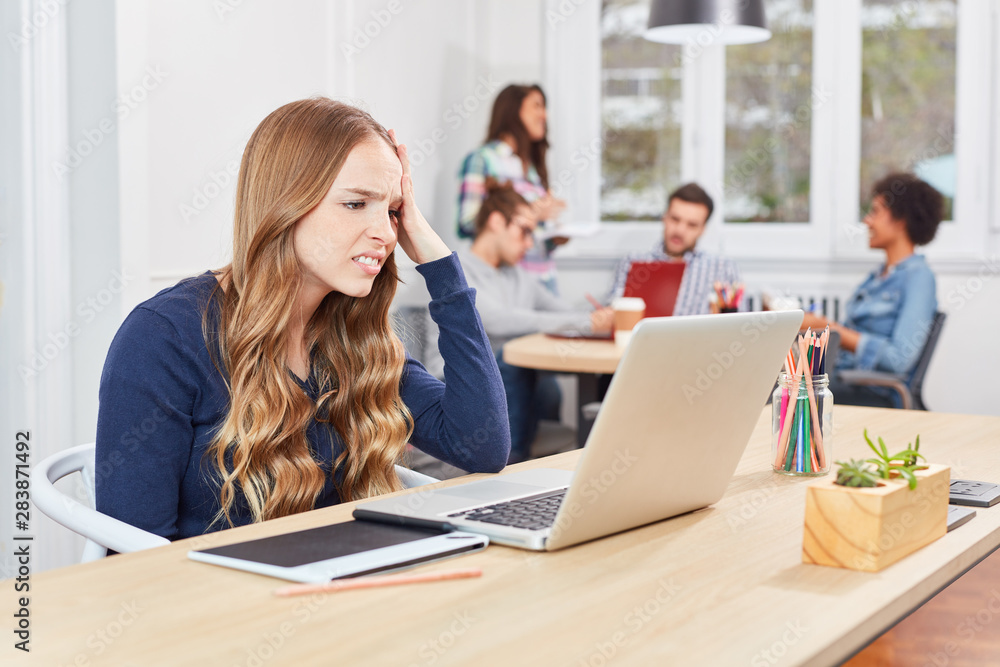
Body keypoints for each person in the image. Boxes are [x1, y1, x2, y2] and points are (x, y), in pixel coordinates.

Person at [95, 98, 511, 541]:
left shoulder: (353, 333)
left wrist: (440, 265)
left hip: (346, 573)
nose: (388, 234)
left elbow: (481, 444)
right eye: (356, 203)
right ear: (285, 202)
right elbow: (134, 554)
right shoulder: (163, 338)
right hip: (227, 585)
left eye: (393, 211)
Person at [458, 180, 613, 463]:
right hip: (462, 381)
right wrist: (586, 323)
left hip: (510, 380)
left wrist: (596, 317)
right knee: (514, 362)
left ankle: (553, 463)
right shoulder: (458, 270)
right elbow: (496, 321)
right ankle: (510, 461)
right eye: (525, 231)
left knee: (547, 388)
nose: (530, 243)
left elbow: (561, 311)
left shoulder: (517, 275)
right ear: (496, 222)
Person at [801, 172, 943, 407]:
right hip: (843, 377)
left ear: (901, 220)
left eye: (875, 212)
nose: (867, 221)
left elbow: (898, 359)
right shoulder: (876, 277)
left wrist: (830, 329)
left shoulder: (919, 278)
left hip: (874, 392)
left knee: (785, 392)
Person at [456, 83, 567, 294]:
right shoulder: (482, 159)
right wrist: (533, 212)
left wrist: (554, 238)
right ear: (513, 110)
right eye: (537, 105)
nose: (544, 115)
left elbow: (532, 235)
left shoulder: (532, 169)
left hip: (544, 279)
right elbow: (466, 223)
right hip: (510, 284)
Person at [607, 182, 741, 315]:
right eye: (675, 219)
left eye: (692, 225)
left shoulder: (722, 267)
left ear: (702, 230)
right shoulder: (631, 262)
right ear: (664, 217)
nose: (680, 231)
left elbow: (739, 322)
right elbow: (611, 315)